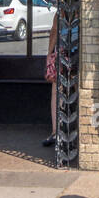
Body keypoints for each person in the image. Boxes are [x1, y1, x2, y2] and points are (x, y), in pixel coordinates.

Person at [42, 10, 58, 149]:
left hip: (62, 57)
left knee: (56, 92)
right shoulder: (79, 13)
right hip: (78, 56)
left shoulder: (61, 13)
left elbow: (54, 33)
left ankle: (55, 130)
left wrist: (49, 53)